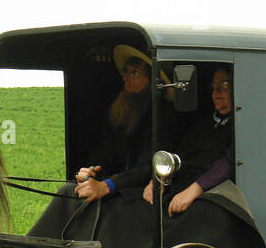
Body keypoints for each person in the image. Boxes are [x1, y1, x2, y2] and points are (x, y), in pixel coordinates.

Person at [74, 45, 174, 202]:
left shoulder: (165, 116)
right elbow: (106, 151)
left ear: (154, 82)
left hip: (139, 195)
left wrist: (107, 185)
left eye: (134, 73)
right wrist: (92, 170)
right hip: (116, 188)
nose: (125, 77)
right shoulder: (123, 111)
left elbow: (148, 167)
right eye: (126, 72)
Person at [144, 66, 233, 215]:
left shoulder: (240, 128)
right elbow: (179, 155)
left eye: (224, 85)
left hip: (213, 192)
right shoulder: (201, 125)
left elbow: (228, 164)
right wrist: (159, 179)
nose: (216, 93)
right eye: (214, 87)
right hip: (181, 185)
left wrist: (193, 191)